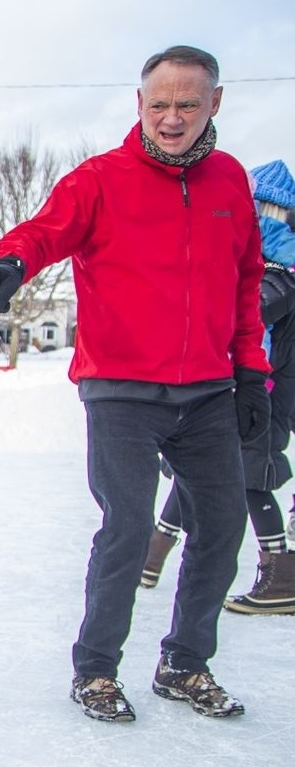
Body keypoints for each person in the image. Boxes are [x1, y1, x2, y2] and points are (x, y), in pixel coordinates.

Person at [0, 45, 267, 723]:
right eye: (158, 103)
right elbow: (43, 233)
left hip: (210, 390)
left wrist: (250, 371)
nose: (170, 117)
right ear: (138, 105)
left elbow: (244, 280)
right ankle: (95, 670)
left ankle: (185, 663)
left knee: (221, 522)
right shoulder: (100, 179)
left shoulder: (228, 182)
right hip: (121, 389)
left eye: (187, 103)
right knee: (127, 526)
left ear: (214, 103)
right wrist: (7, 266)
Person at [143, 159, 295, 613]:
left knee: (249, 478)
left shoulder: (277, 273)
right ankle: (153, 553)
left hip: (258, 398)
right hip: (244, 392)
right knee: (195, 468)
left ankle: (281, 571)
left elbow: (247, 320)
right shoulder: (266, 268)